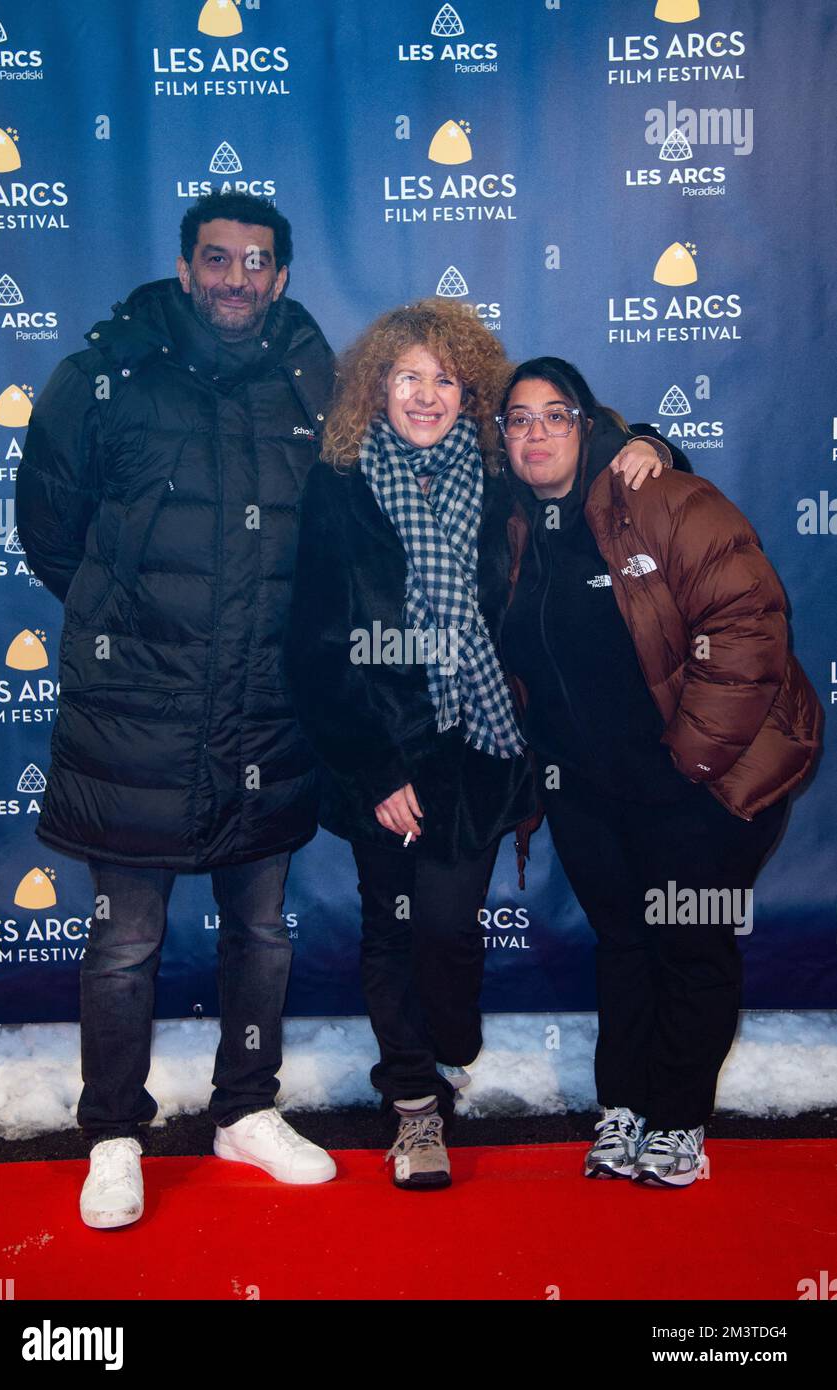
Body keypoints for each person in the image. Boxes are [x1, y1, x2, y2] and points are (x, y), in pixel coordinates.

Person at [284, 302, 672, 1190]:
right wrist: (374, 769)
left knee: (447, 930)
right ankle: (414, 1111)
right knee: (391, 928)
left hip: (481, 746)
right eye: (408, 376)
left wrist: (648, 441)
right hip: (380, 753)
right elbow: (311, 642)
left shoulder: (502, 477)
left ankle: (447, 1050)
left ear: (471, 393)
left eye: (445, 379)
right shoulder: (338, 484)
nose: (425, 395)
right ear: (377, 388)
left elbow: (586, 441)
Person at [15, 191, 338, 1228]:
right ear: (186, 264)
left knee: (260, 932)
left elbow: (412, 462)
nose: (235, 278)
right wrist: (133, 626)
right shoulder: (103, 373)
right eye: (216, 258)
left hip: (265, 712)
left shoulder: (314, 377)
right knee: (122, 942)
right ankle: (112, 1132)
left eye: (255, 261)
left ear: (280, 274)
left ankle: (245, 1109)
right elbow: (49, 529)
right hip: (136, 710)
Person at [500, 357, 823, 1187]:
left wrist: (693, 766)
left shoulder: (664, 501)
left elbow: (747, 626)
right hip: (589, 793)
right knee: (624, 945)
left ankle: (678, 1120)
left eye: (555, 415)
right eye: (518, 419)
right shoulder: (512, 528)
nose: (535, 433)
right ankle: (625, 1107)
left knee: (691, 945)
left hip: (698, 786)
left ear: (589, 424)